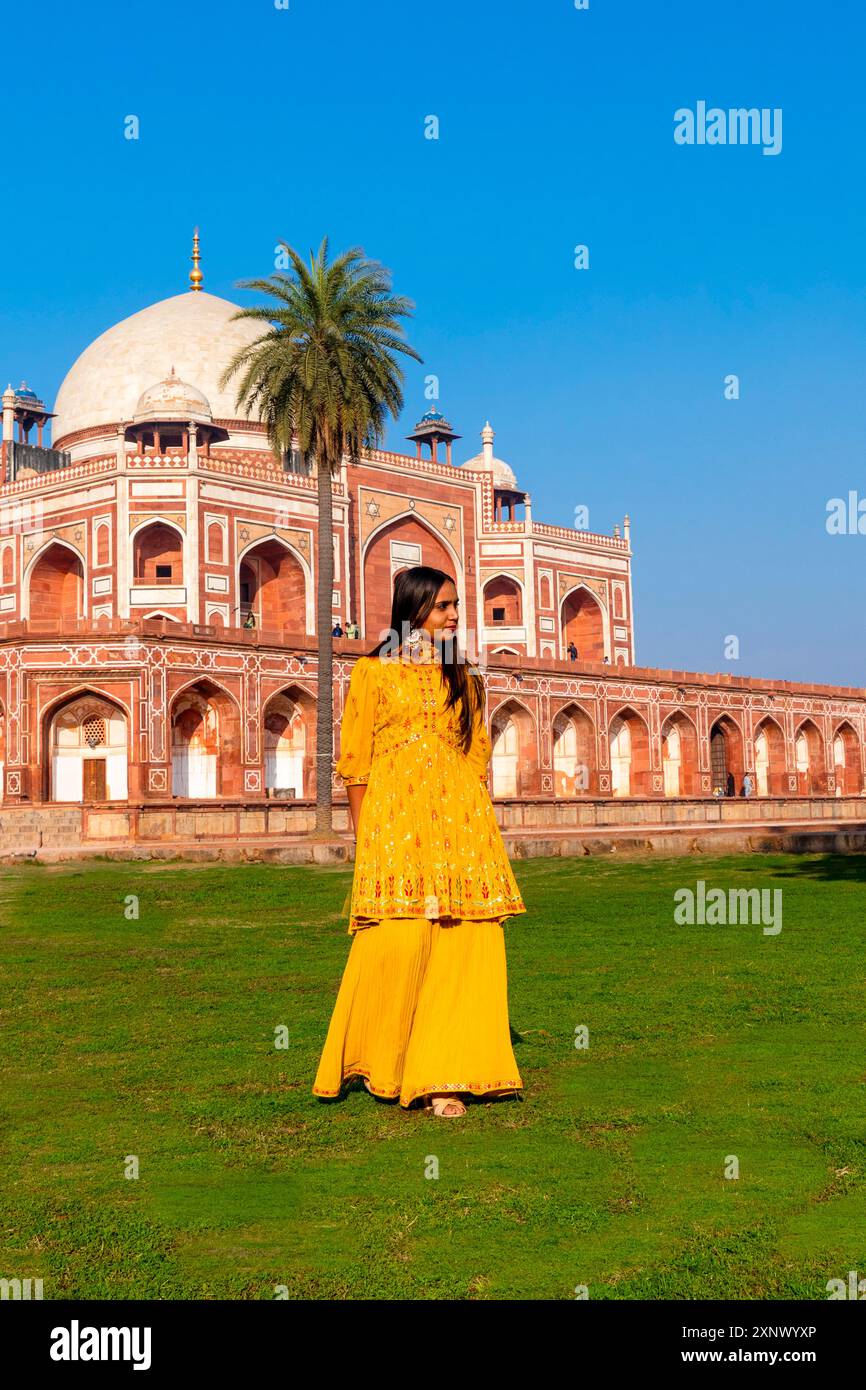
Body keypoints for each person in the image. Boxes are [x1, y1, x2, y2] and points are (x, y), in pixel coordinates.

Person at [313, 565, 525, 1118]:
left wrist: (470, 813)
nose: (454, 616)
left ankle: (446, 1073)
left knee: (467, 939)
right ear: (413, 609)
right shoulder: (373, 674)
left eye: (456, 607)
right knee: (399, 941)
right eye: (444, 607)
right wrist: (365, 842)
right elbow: (355, 764)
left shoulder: (466, 677)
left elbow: (475, 754)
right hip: (394, 823)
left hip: (460, 822)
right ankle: (387, 1059)